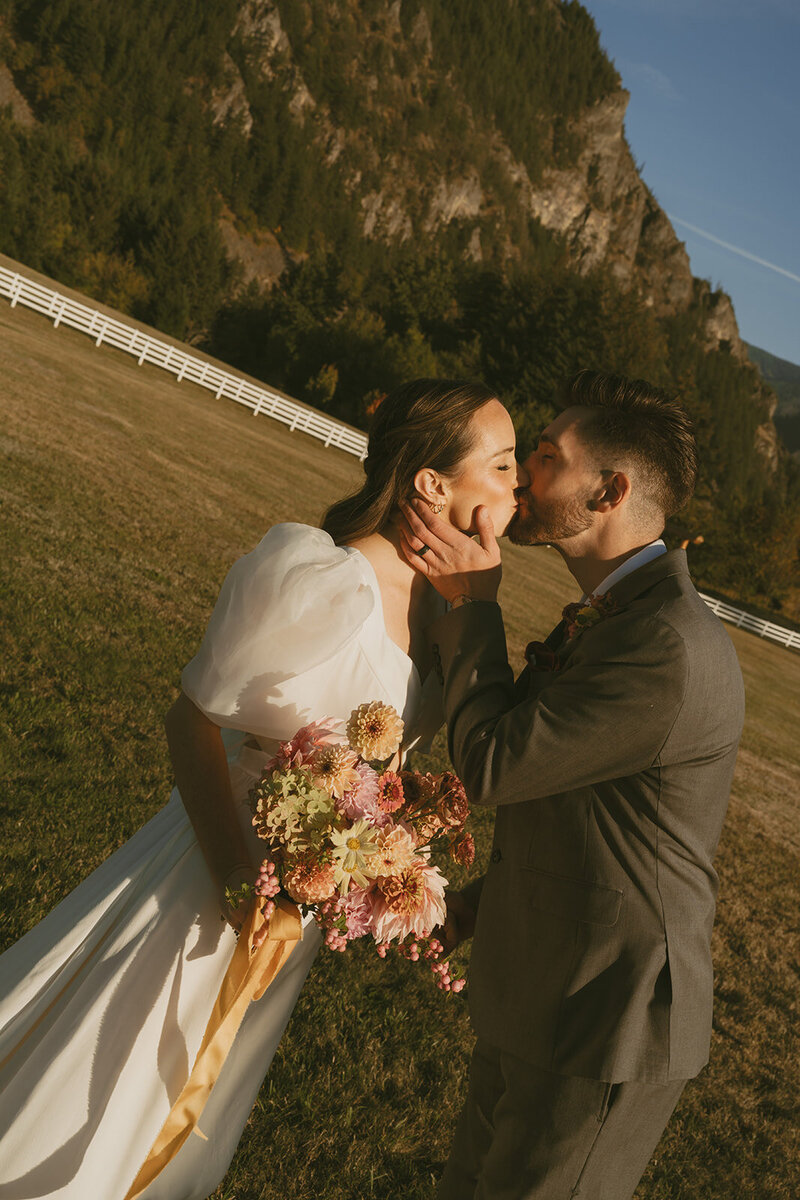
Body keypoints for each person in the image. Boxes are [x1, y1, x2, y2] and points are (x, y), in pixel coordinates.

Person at [0, 378, 524, 1200]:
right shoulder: (326, 580)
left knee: (190, 1098)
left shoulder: (442, 606)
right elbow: (192, 721)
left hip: (299, 913)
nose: (517, 490)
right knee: (116, 1087)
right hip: (214, 877)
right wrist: (239, 877)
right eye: (502, 467)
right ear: (432, 484)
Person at [400, 370, 745, 1200]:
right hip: (548, 986)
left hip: (605, 1022)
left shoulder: (665, 646)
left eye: (545, 458)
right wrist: (479, 905)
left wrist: (475, 605)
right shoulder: (615, 613)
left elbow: (492, 761)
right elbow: (587, 804)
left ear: (610, 491)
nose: (521, 479)